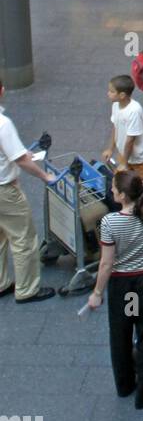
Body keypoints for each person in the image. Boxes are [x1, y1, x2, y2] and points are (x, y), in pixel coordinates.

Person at [87, 172, 143, 409]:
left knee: (121, 333)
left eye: (114, 189)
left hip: (125, 286)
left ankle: (125, 384)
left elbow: (106, 263)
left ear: (122, 195)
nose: (111, 191)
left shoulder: (110, 223)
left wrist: (97, 292)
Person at [0, 79, 57, 301]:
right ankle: (27, 290)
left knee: (1, 237)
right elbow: (21, 160)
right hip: (5, 190)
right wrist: (45, 176)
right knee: (23, 238)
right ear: (2, 90)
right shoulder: (3, 124)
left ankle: (2, 282)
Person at [102, 74, 143, 179]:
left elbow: (131, 140)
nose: (108, 93)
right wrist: (110, 149)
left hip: (139, 158)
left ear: (122, 95)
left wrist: (124, 163)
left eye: (112, 91)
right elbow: (115, 127)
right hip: (125, 154)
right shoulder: (116, 105)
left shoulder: (134, 111)